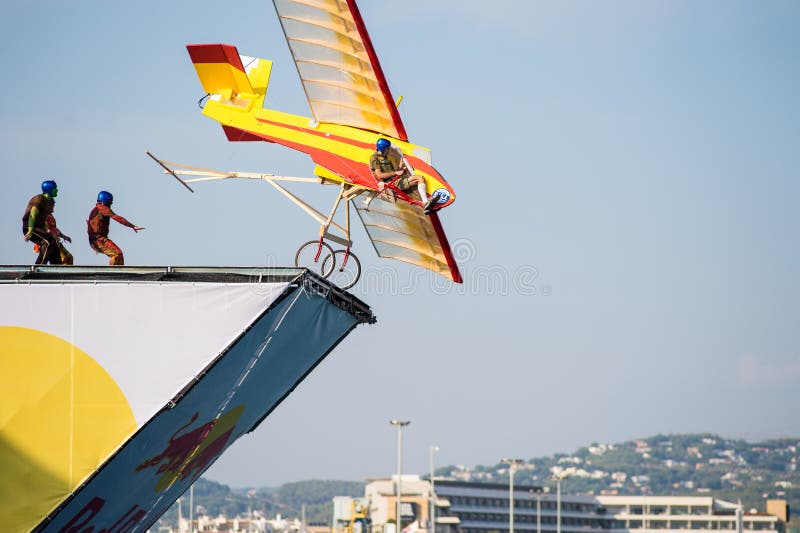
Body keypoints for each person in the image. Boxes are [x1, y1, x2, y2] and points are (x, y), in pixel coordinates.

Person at [370, 138, 438, 214]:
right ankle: (425, 203)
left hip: (395, 181)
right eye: (387, 149)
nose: (389, 150)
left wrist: (400, 167)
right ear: (382, 148)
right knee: (419, 179)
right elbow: (380, 175)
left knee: (419, 179)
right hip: (391, 185)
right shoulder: (374, 158)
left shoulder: (385, 157)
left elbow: (393, 172)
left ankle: (427, 205)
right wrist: (396, 173)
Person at [87, 191, 144, 265]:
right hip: (98, 240)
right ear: (104, 201)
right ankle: (111, 275)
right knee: (115, 254)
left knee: (119, 254)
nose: (110, 205)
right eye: (109, 203)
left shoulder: (97, 209)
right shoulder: (102, 208)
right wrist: (132, 226)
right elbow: (119, 218)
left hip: (100, 239)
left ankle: (121, 274)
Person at [22, 180, 63, 265]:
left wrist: (47, 231)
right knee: (49, 242)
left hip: (39, 228)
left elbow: (43, 219)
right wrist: (30, 230)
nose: (57, 190)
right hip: (30, 226)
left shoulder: (48, 202)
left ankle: (57, 267)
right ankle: (39, 265)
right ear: (49, 189)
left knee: (54, 243)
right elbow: (32, 214)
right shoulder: (39, 199)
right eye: (55, 189)